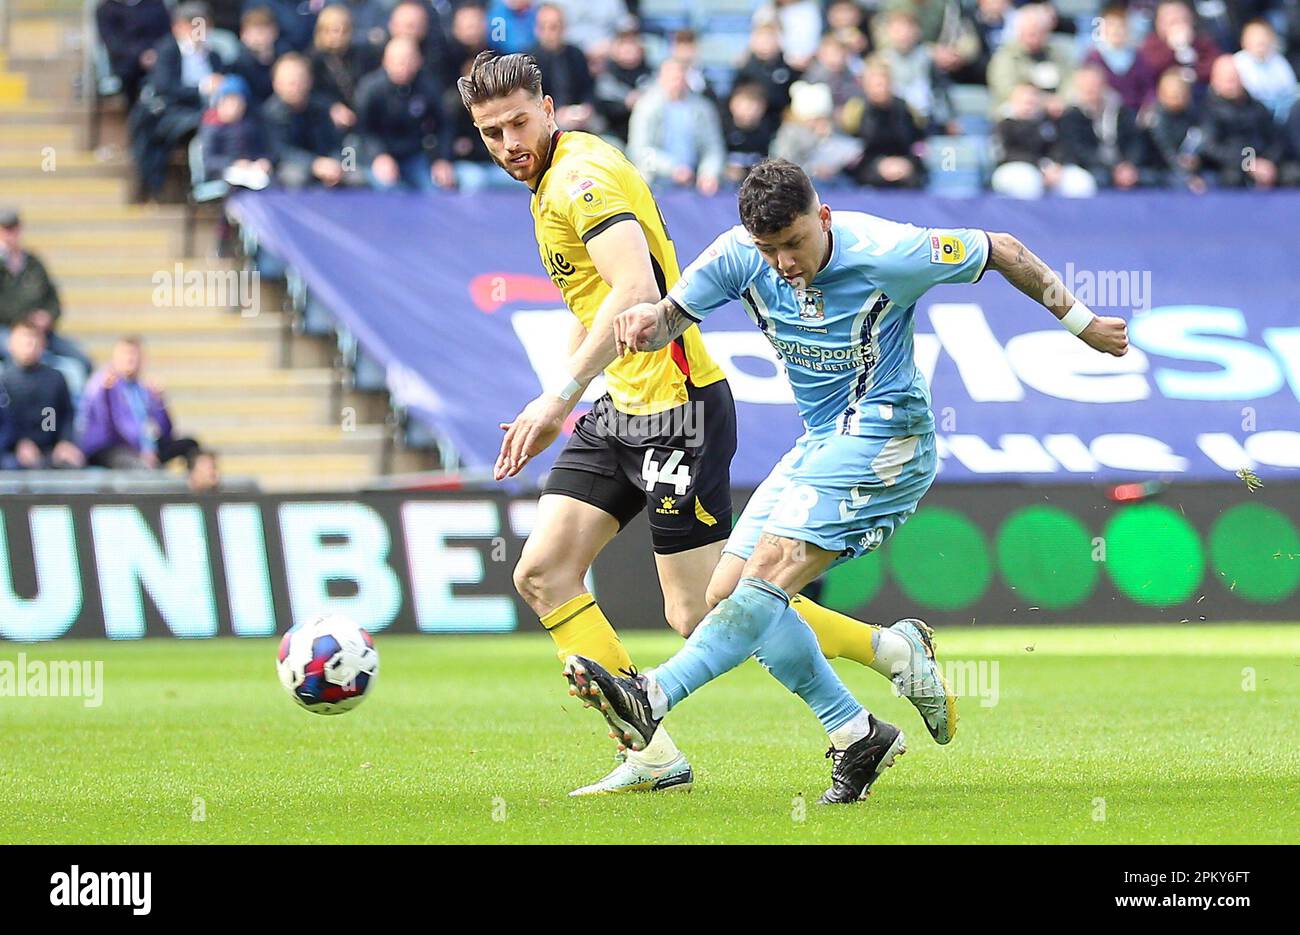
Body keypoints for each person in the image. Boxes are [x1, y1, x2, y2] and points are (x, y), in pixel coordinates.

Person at [460, 53, 952, 797]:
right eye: (491, 132)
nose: (507, 142)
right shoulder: (547, 181)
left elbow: (635, 289)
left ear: (550, 108)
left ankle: (879, 667)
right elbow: (597, 306)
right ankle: (653, 755)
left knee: (704, 609)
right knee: (542, 571)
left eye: (518, 122)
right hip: (618, 410)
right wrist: (575, 396)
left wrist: (554, 399)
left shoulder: (581, 180)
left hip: (675, 410)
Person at [571, 158, 1129, 803]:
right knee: (716, 601)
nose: (782, 262)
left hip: (889, 435)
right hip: (822, 441)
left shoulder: (888, 250)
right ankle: (856, 729)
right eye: (769, 249)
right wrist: (648, 326)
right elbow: (672, 315)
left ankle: (655, 694)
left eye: (794, 243)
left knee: (770, 573)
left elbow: (1002, 249)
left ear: (824, 217)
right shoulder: (736, 256)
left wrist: (1081, 323)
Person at [129, 1, 224, 201]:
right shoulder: (167, 51)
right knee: (204, 126)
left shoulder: (214, 56)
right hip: (172, 114)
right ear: (178, 27)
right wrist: (201, 88)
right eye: (193, 25)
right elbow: (166, 88)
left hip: (210, 111)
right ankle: (202, 182)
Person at [79, 336, 201, 470]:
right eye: (126, 354)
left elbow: (166, 433)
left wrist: (160, 403)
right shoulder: (104, 385)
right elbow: (111, 427)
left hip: (145, 450)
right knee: (130, 461)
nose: (130, 360)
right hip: (109, 448)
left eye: (135, 355)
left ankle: (197, 483)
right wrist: (140, 451)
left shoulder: (143, 389)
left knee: (190, 445)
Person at [0, 209, 93, 376]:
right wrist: (25, 318)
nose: (10, 234)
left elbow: (53, 298)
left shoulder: (33, 263)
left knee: (83, 362)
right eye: (5, 229)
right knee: (21, 356)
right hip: (7, 329)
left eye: (13, 228)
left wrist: (48, 316)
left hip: (42, 332)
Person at [626, 57, 726, 195]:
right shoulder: (645, 107)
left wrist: (709, 173)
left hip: (695, 185)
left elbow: (713, 147)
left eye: (680, 76)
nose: (676, 81)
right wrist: (673, 169)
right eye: (672, 77)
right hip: (654, 183)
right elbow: (638, 150)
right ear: (661, 78)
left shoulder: (703, 108)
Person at [0, 319, 84, 470]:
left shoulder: (55, 378)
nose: (29, 346)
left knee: (74, 465)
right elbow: (5, 423)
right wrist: (18, 443)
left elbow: (66, 414)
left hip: (50, 449)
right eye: (24, 340)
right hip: (12, 452)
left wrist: (64, 441)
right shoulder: (4, 381)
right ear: (11, 345)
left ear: (43, 344)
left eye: (34, 340)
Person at [262, 53, 351, 188]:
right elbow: (280, 152)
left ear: (309, 81)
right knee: (296, 177)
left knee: (354, 174)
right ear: (276, 84)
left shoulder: (321, 108)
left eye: (300, 81)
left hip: (326, 164)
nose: (296, 87)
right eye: (290, 83)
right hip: (292, 167)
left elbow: (334, 142)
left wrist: (337, 163)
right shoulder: (270, 114)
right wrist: (315, 164)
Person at [198, 74, 273, 188]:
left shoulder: (251, 125)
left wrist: (263, 161)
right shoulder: (212, 127)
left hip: (252, 173)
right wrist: (233, 163)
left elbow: (263, 148)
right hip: (222, 176)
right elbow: (209, 161)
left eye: (239, 102)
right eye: (229, 101)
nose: (235, 106)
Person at [96, 0, 172, 106]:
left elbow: (167, 33)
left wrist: (155, 53)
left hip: (159, 56)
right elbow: (113, 43)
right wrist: (141, 55)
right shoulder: (107, 9)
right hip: (128, 63)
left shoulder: (155, 4)